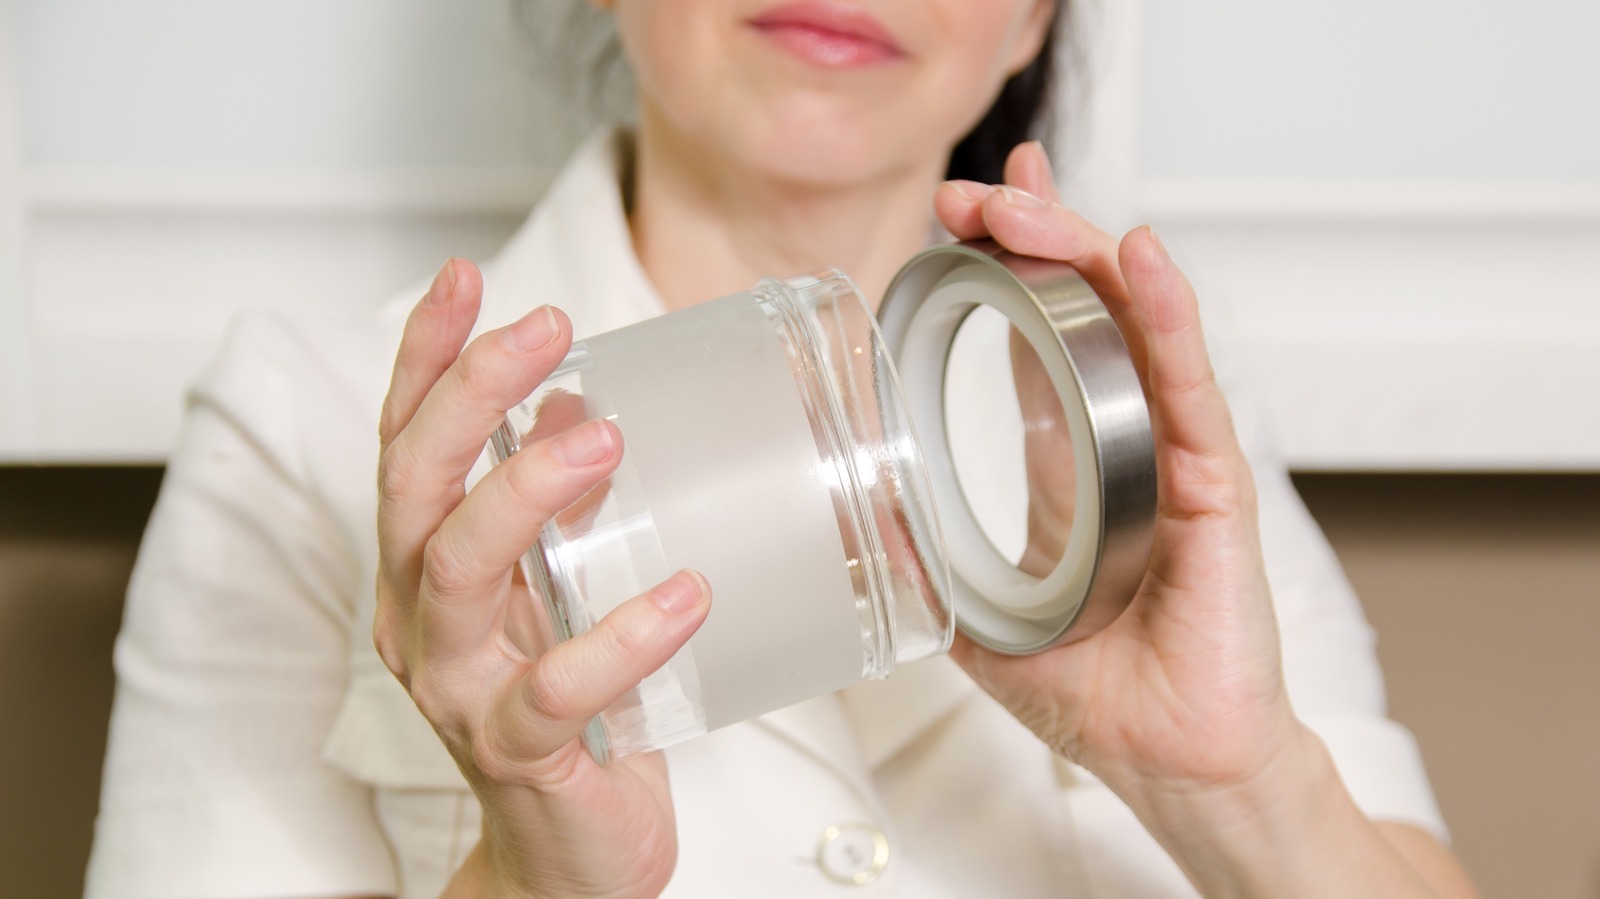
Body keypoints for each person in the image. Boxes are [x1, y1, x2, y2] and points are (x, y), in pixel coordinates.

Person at [87, 1, 1482, 897]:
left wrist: (1232, 789)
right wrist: (535, 883)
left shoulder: (1155, 438)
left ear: (1030, 22)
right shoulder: (306, 428)